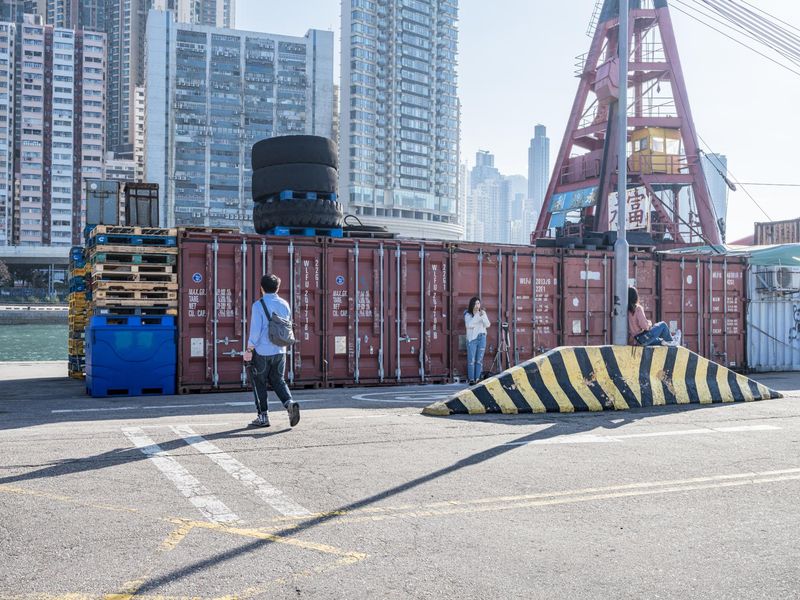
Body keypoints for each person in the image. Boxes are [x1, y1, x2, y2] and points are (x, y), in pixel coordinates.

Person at [243, 274, 300, 428]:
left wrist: (249, 349)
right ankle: (290, 403)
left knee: (259, 382)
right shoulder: (284, 304)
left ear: (261, 288)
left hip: (262, 351)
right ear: (278, 288)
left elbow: (255, 330)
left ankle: (263, 417)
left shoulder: (258, 305)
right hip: (281, 350)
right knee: (278, 380)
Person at [464, 296, 490, 385]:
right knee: (471, 360)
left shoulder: (483, 313)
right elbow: (469, 325)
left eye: (478, 303)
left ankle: (477, 378)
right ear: (472, 305)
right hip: (472, 339)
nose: (477, 305)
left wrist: (482, 316)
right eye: (475, 303)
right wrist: (476, 315)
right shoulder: (467, 314)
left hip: (482, 337)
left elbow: (487, 325)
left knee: (479, 360)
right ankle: (471, 379)